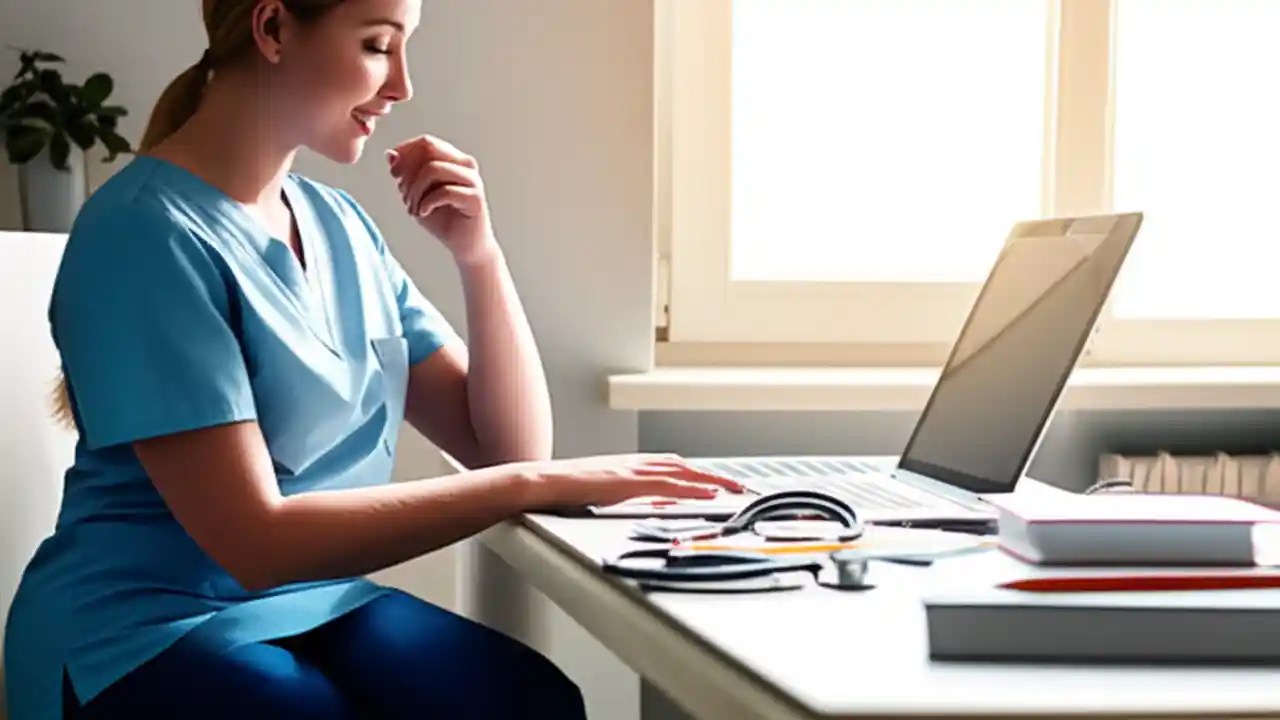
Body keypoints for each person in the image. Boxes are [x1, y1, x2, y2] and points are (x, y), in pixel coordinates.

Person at [2, 1, 744, 718]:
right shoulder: (145, 235)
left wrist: (478, 254)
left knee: (525, 699)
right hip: (137, 628)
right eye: (378, 44)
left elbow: (505, 447)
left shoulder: (340, 226)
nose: (402, 85)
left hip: (311, 600)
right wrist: (530, 484)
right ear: (272, 27)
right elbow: (254, 541)